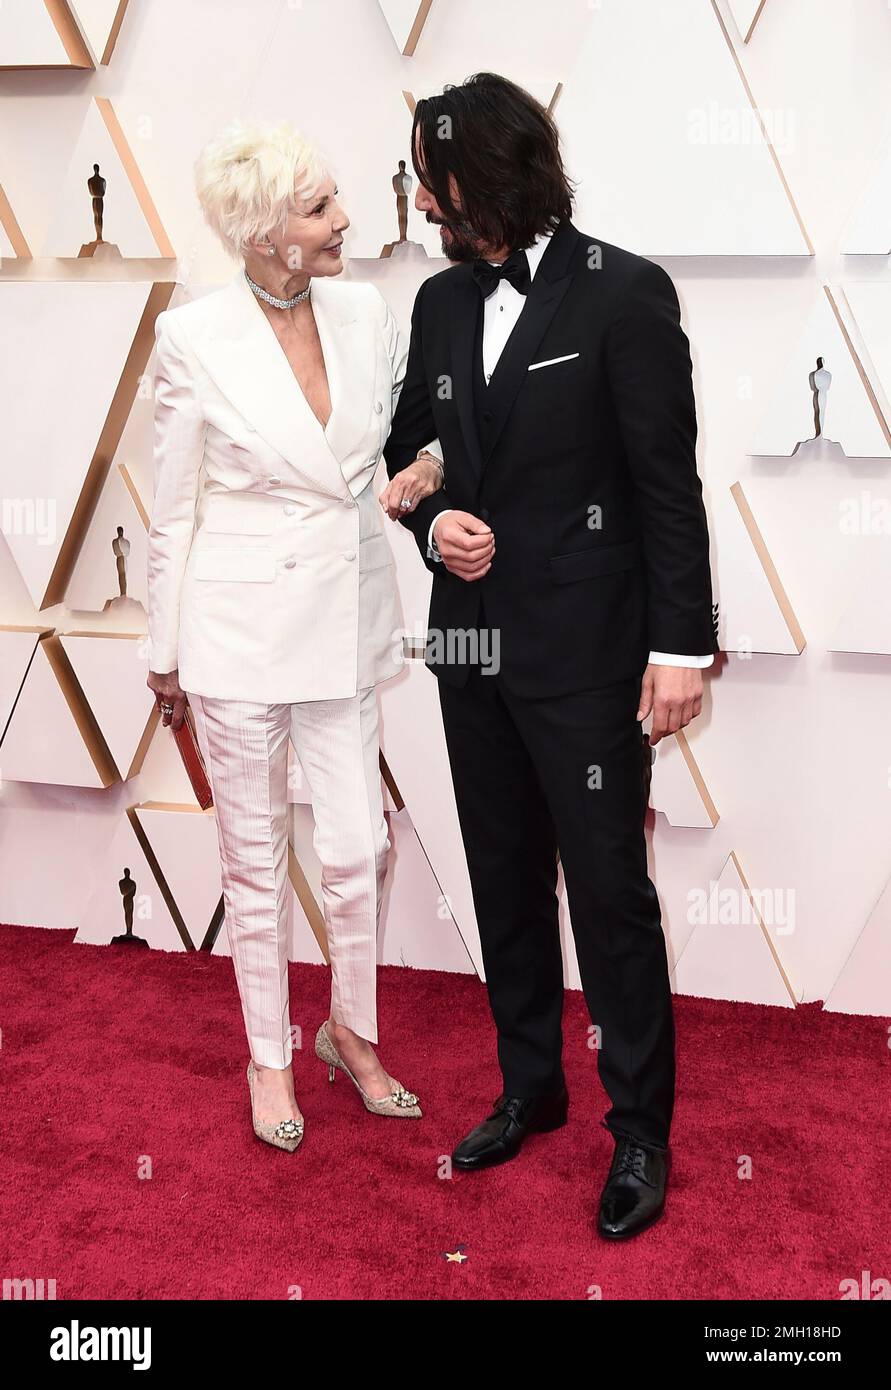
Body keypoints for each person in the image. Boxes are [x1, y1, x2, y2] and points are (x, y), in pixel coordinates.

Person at [382, 73, 719, 1237]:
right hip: (467, 639)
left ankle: (641, 1132)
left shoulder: (624, 293)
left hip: (587, 650)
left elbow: (666, 489)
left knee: (611, 898)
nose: (428, 207)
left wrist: (681, 648)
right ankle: (532, 1085)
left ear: (499, 175)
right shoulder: (435, 303)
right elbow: (409, 444)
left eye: (441, 187)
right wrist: (434, 520)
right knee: (501, 876)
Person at [146, 119, 440, 1152]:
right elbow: (172, 505)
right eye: (317, 209)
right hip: (235, 631)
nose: (344, 219)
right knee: (256, 857)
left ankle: (349, 1032)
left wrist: (432, 466)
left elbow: (416, 431)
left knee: (359, 845)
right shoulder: (193, 337)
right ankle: (269, 1055)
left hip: (343, 621)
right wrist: (163, 651)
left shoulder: (367, 313)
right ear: (267, 233)